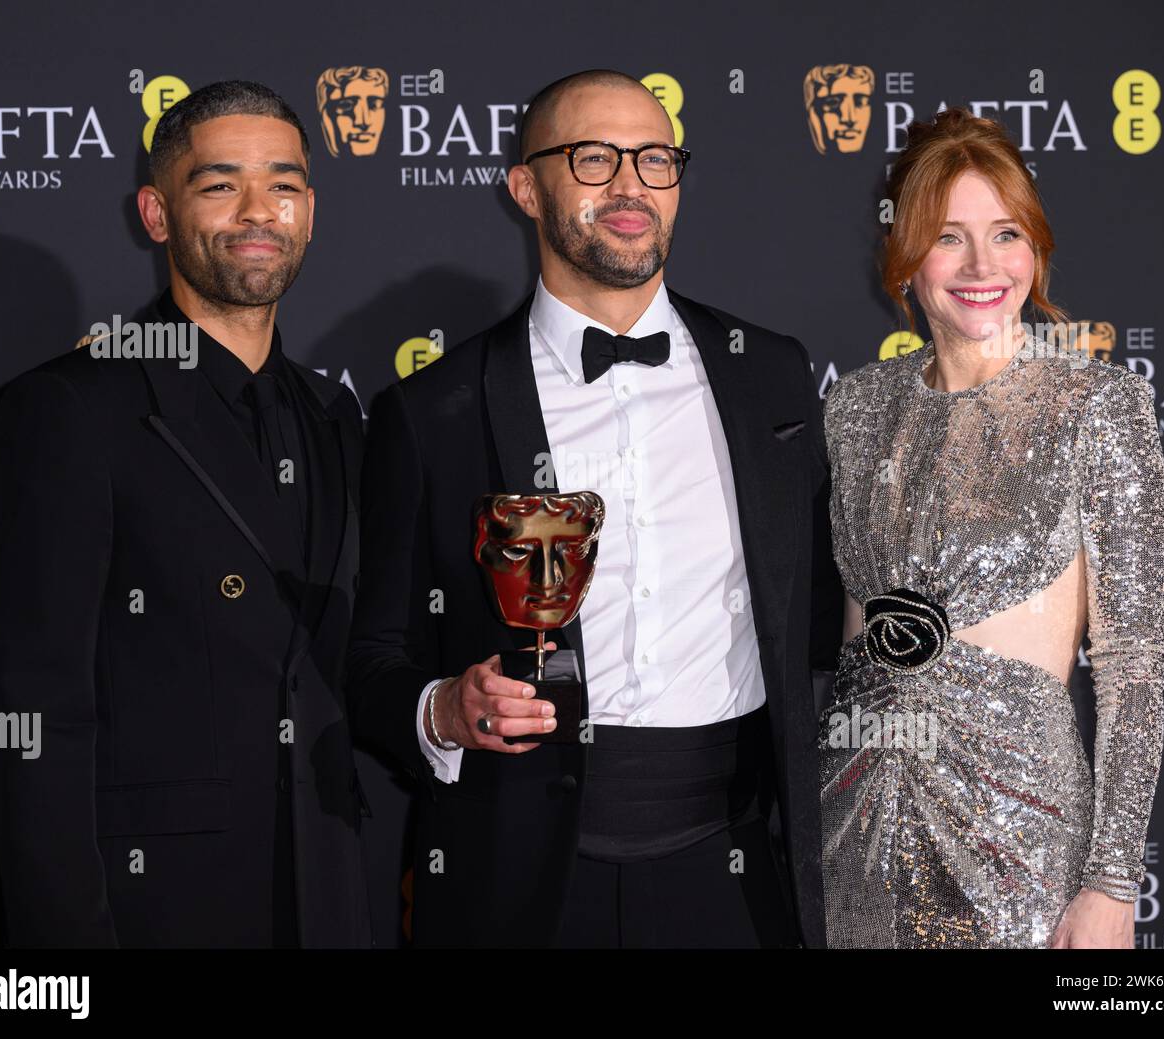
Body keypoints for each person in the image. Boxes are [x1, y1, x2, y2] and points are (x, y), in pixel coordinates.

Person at [346, 68, 843, 947]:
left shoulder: (770, 373)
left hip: (735, 867)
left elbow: (816, 627)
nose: (629, 185)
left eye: (655, 159)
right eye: (593, 158)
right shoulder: (432, 411)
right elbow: (373, 660)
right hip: (519, 874)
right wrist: (443, 709)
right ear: (526, 189)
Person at [0, 80, 373, 947]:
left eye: (285, 184)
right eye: (220, 184)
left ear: (311, 211)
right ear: (157, 214)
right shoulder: (68, 409)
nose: (259, 211)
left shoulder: (339, 417)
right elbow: (34, 718)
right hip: (160, 906)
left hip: (330, 891)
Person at [819, 107, 1164, 949]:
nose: (983, 266)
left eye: (1006, 233)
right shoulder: (856, 406)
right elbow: (854, 637)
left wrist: (1112, 885)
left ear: (1036, 247)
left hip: (1019, 834)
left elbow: (1133, 670)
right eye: (949, 237)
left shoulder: (1095, 406)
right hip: (858, 816)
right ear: (905, 257)